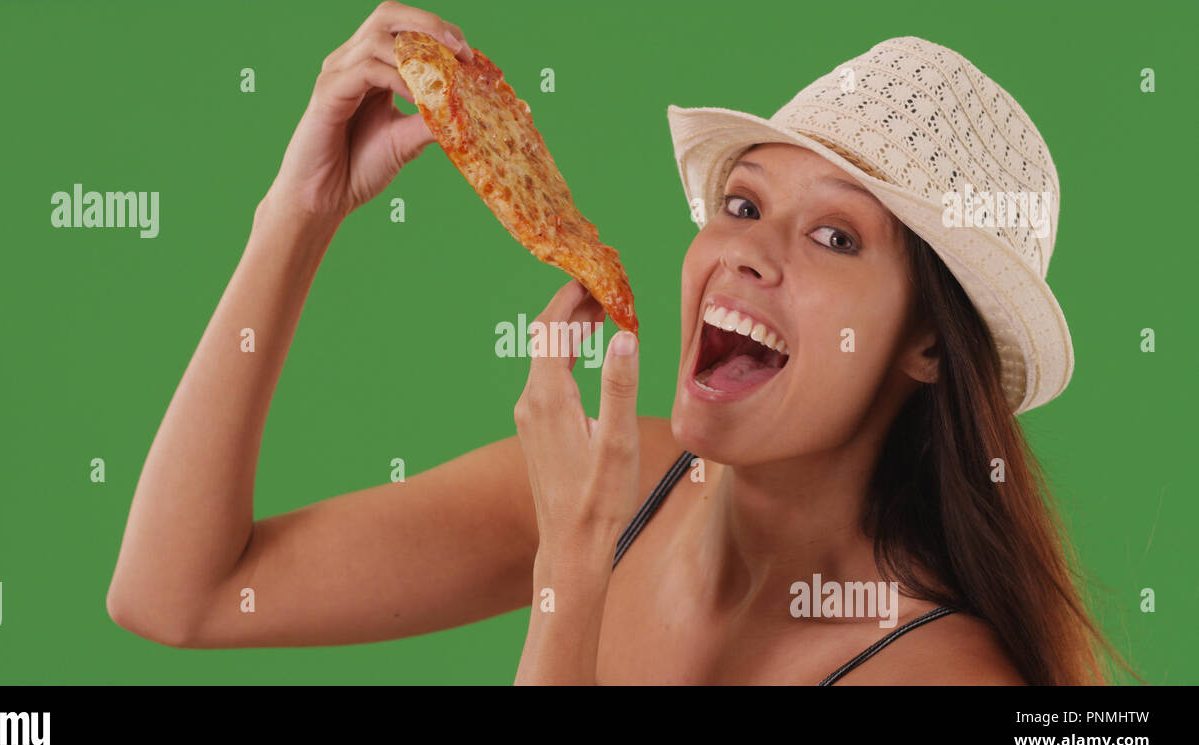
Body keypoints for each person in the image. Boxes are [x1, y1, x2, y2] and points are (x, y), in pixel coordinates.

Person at [106, 1, 1134, 685]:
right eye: (740, 203)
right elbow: (174, 591)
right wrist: (297, 213)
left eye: (833, 235)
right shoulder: (621, 482)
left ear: (924, 348)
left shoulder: (933, 673)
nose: (747, 254)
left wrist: (569, 569)